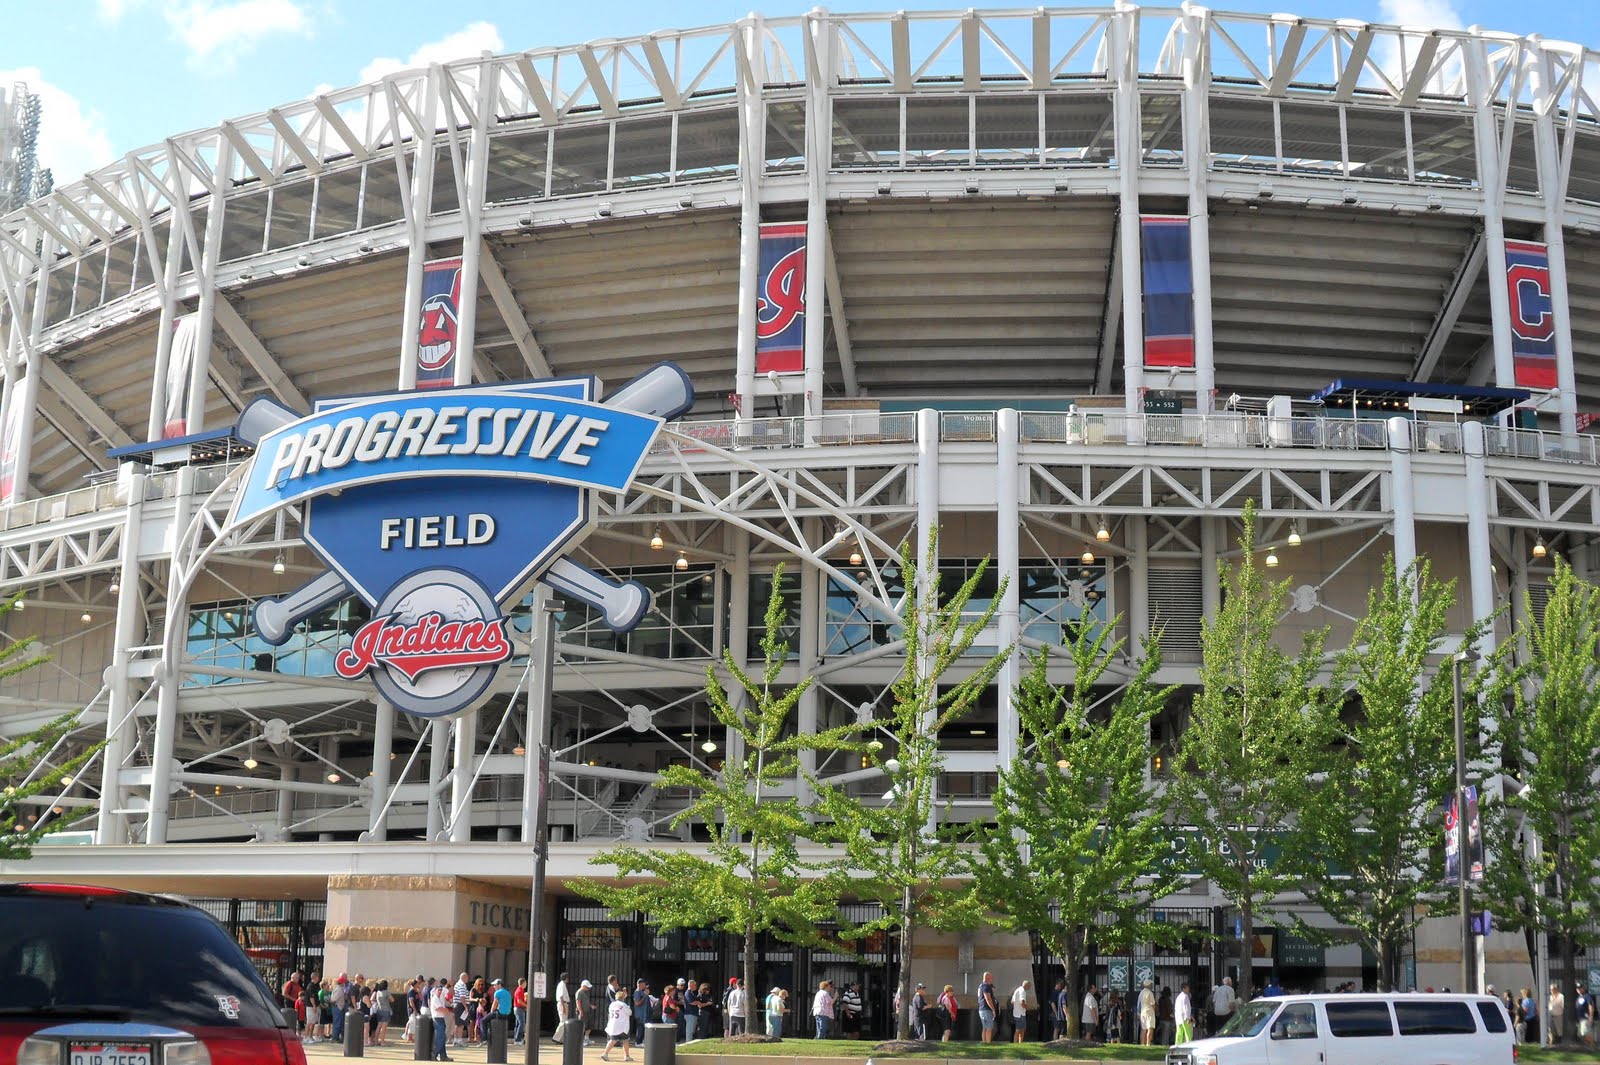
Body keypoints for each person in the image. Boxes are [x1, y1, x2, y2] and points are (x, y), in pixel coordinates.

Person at [602, 989, 634, 1062]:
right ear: (623, 998)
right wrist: (628, 1007)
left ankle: (605, 1053)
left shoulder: (612, 1004)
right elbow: (629, 1013)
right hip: (622, 1026)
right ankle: (627, 1056)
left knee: (612, 1040)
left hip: (613, 1025)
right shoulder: (624, 1005)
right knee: (625, 1041)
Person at [430, 975, 454, 1062]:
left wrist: (445, 1010)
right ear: (435, 990)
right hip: (437, 1019)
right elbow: (440, 1009)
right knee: (440, 1038)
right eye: (438, 990)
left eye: (441, 990)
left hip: (441, 1018)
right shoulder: (435, 999)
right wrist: (446, 1010)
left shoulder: (440, 998)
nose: (440, 991)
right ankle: (434, 1054)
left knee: (442, 1037)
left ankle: (443, 1056)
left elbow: (444, 1009)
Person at [977, 971, 998, 1042]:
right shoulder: (986, 986)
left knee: (985, 1028)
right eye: (991, 977)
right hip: (987, 1009)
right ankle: (988, 1043)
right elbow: (988, 998)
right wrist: (993, 1009)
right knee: (989, 1028)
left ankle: (984, 1042)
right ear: (987, 977)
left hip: (981, 1009)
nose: (991, 979)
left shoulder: (980, 986)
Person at [554, 972, 572, 1044]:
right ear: (566, 978)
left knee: (564, 1021)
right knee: (563, 1021)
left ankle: (560, 1039)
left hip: (563, 1003)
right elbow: (561, 996)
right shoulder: (562, 985)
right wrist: (563, 1007)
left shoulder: (562, 984)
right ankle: (556, 1037)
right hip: (563, 1003)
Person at [1138, 979, 1157, 1046]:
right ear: (1148, 985)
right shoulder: (1150, 993)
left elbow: (1139, 1003)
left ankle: (1142, 1043)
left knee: (1144, 1029)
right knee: (1150, 1028)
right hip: (1149, 1011)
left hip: (1143, 1011)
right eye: (1151, 984)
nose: (1151, 985)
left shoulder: (1141, 992)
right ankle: (1148, 1043)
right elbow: (1153, 1003)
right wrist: (1154, 1011)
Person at [577, 979, 594, 1046]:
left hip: (587, 1011)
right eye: (587, 987)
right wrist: (581, 1011)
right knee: (582, 1026)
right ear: (583, 986)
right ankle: (581, 1040)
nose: (588, 988)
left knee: (589, 1025)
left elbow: (585, 1001)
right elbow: (578, 1002)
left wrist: (590, 1005)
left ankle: (586, 1038)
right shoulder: (579, 992)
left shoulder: (585, 992)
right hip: (583, 1011)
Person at [512, 977, 528, 1045]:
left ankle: (516, 1038)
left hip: (517, 1008)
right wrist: (527, 1006)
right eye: (525, 983)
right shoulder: (520, 990)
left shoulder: (520, 990)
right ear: (523, 983)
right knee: (521, 1024)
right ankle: (518, 1039)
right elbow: (519, 1001)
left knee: (518, 1024)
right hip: (519, 1008)